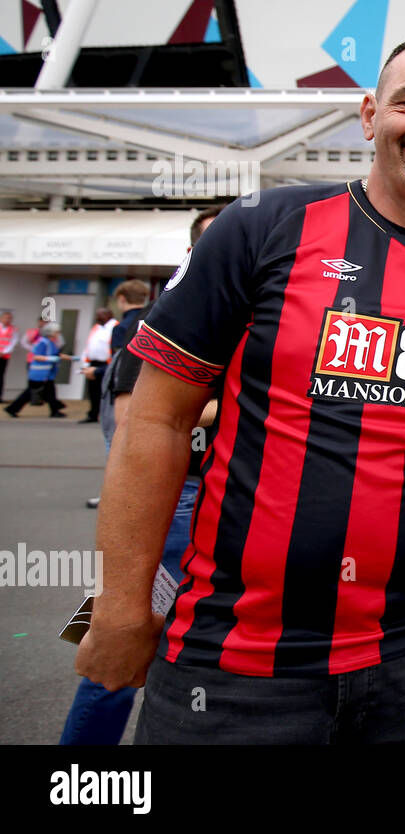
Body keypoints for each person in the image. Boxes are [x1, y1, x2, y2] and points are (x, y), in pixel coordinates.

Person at [74, 33, 405, 745]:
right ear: (368, 115)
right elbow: (156, 422)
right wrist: (119, 605)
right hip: (233, 663)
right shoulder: (262, 228)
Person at [60, 209, 222, 744]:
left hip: (230, 500)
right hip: (173, 501)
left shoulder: (251, 325)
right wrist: (237, 404)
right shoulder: (164, 321)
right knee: (117, 648)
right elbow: (134, 424)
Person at [5, 321, 67, 417]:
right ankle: (12, 408)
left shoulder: (51, 343)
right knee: (32, 392)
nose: (58, 334)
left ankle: (55, 409)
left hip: (47, 372)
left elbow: (56, 354)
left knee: (49, 391)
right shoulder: (43, 342)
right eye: (56, 332)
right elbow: (37, 356)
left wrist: (69, 358)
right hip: (40, 373)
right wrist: (51, 358)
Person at [78, 308, 117, 424]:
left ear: (109, 315)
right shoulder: (96, 328)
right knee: (93, 390)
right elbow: (89, 345)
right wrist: (85, 363)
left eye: (100, 315)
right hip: (93, 363)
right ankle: (93, 413)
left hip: (107, 364)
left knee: (106, 390)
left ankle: (109, 415)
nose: (98, 317)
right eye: (97, 315)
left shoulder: (115, 327)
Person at [0, 310, 16, 398]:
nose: (8, 320)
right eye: (6, 318)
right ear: (1, 318)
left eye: (10, 318)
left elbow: (13, 342)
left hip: (4, 356)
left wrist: (3, 352)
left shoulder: (13, 329)